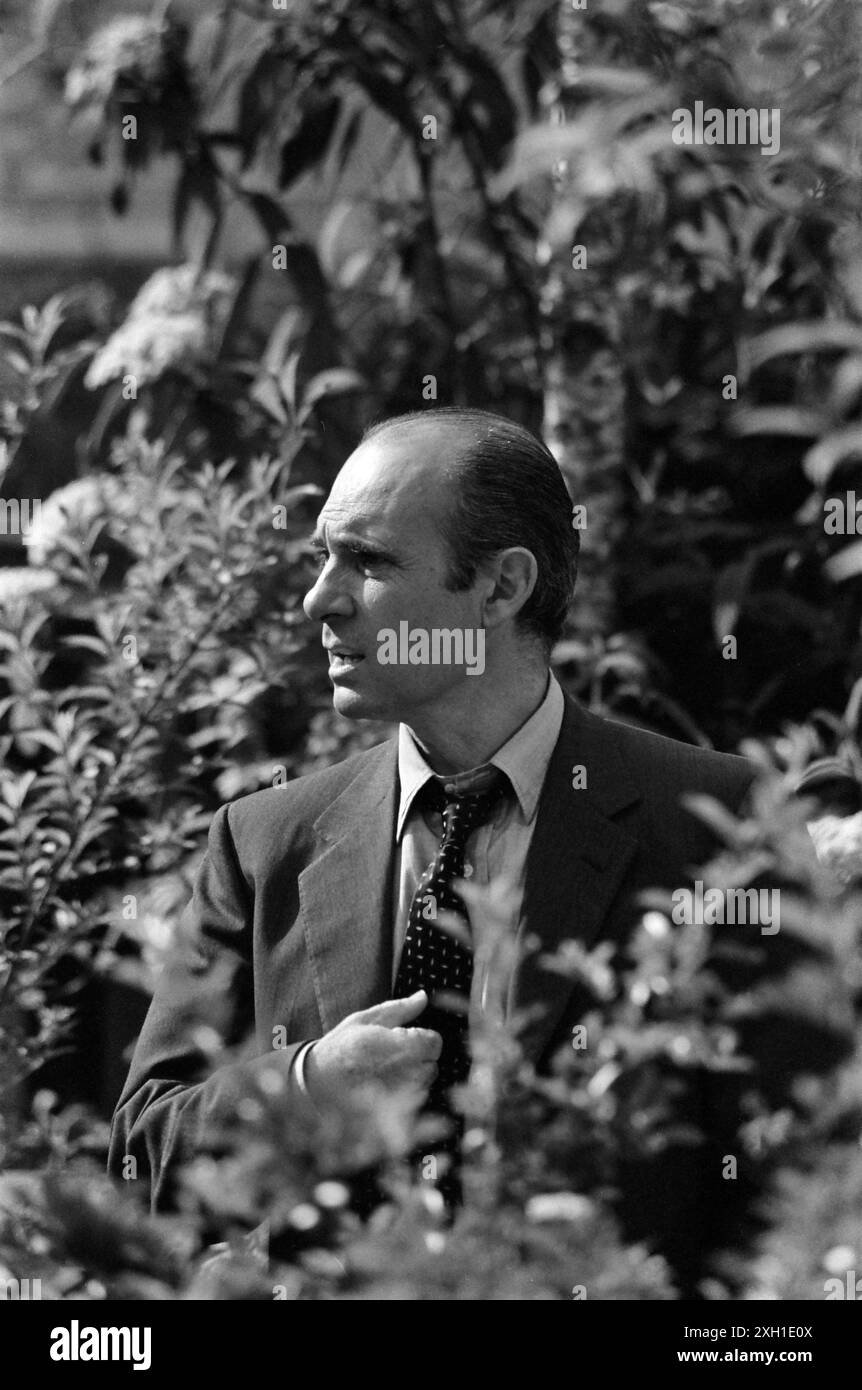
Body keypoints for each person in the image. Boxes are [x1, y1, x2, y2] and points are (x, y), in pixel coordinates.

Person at [109, 406, 756, 1286]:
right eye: (323, 557)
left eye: (369, 561)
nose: (320, 598)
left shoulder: (714, 822)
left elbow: (790, 1185)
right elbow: (139, 1157)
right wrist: (305, 1085)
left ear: (500, 589)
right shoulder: (263, 843)